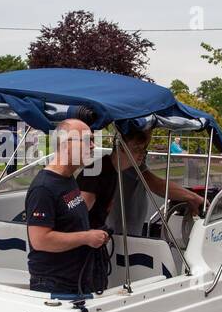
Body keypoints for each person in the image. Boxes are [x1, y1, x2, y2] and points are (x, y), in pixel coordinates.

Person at [25, 119, 111, 296]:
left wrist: (94, 236)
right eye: (87, 140)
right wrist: (86, 237)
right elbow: (40, 240)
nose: (93, 146)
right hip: (53, 285)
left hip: (76, 281)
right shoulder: (43, 188)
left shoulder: (69, 179)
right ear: (65, 145)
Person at [78, 126, 205, 231]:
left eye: (144, 150)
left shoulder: (116, 170)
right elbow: (77, 217)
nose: (142, 155)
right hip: (102, 238)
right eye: (137, 149)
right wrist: (88, 237)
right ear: (121, 145)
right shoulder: (97, 173)